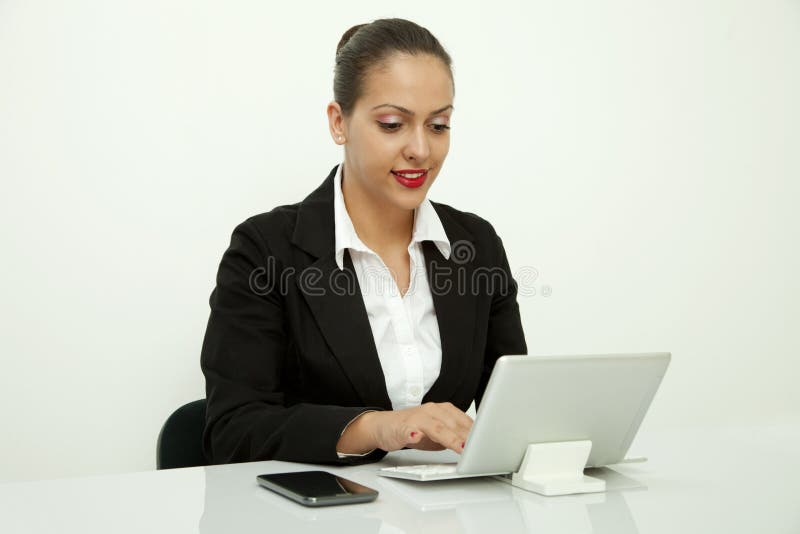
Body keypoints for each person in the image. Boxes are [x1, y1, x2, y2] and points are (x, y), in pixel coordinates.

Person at [200, 18, 527, 466]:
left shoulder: (477, 246)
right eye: (392, 124)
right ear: (340, 123)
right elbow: (233, 432)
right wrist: (378, 427)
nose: (421, 150)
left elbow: (512, 415)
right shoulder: (264, 251)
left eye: (438, 125)